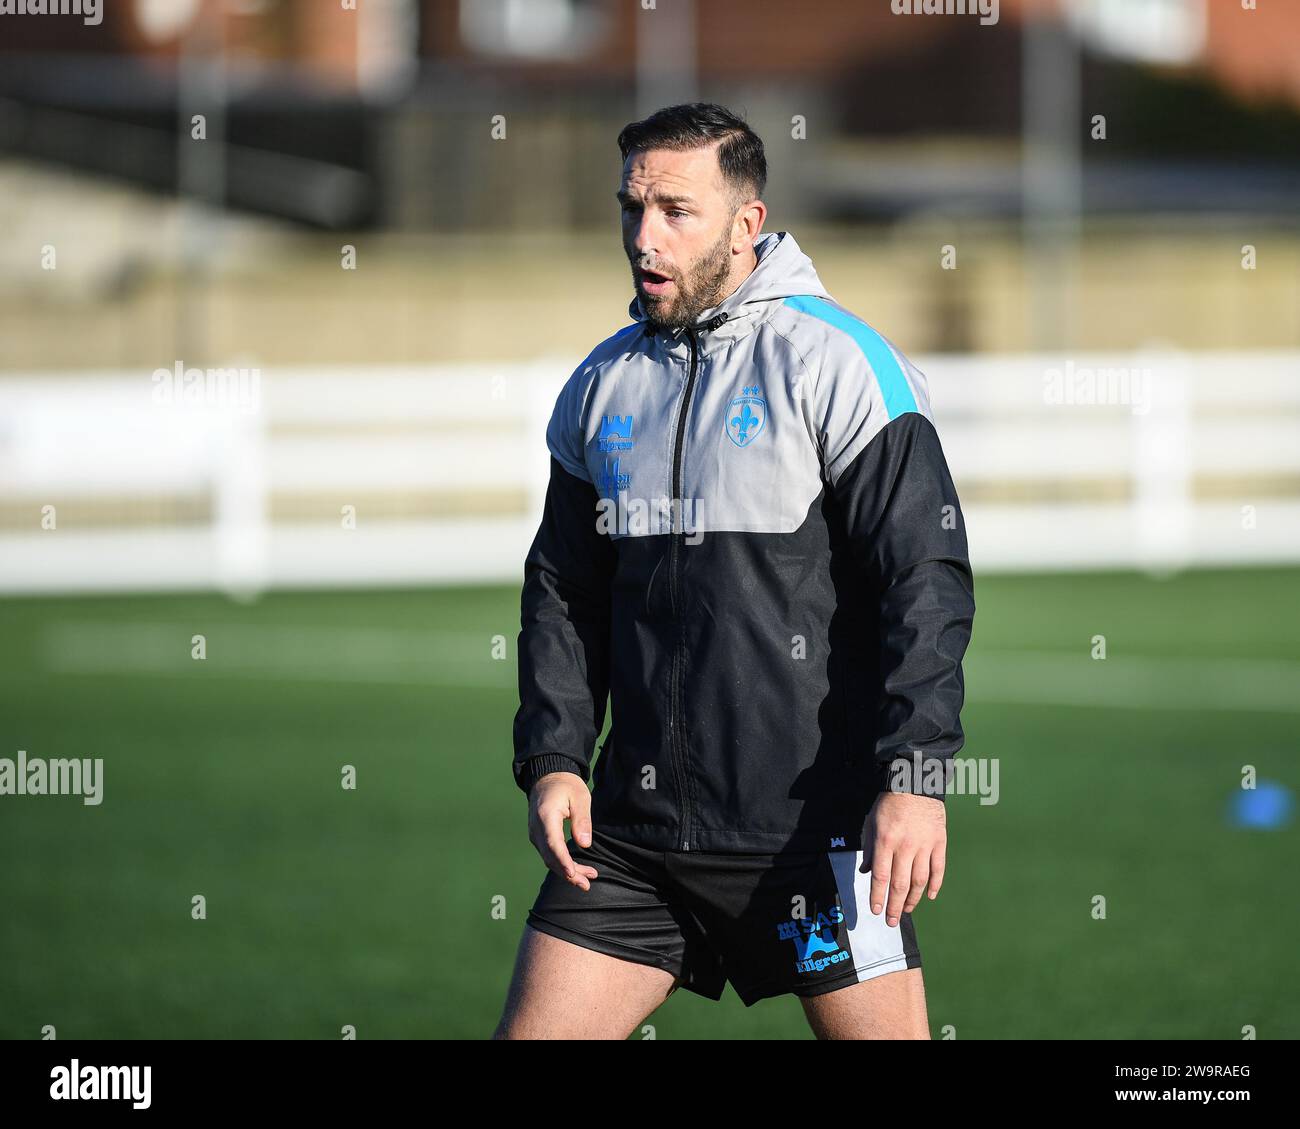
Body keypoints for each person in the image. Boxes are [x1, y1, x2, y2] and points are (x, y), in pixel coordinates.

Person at [496, 102, 974, 1040]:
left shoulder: (840, 364)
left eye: (676, 210)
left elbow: (927, 580)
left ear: (746, 224)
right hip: (631, 845)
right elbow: (563, 593)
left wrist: (914, 776)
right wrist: (553, 760)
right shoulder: (601, 386)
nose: (645, 236)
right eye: (632, 208)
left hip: (815, 840)